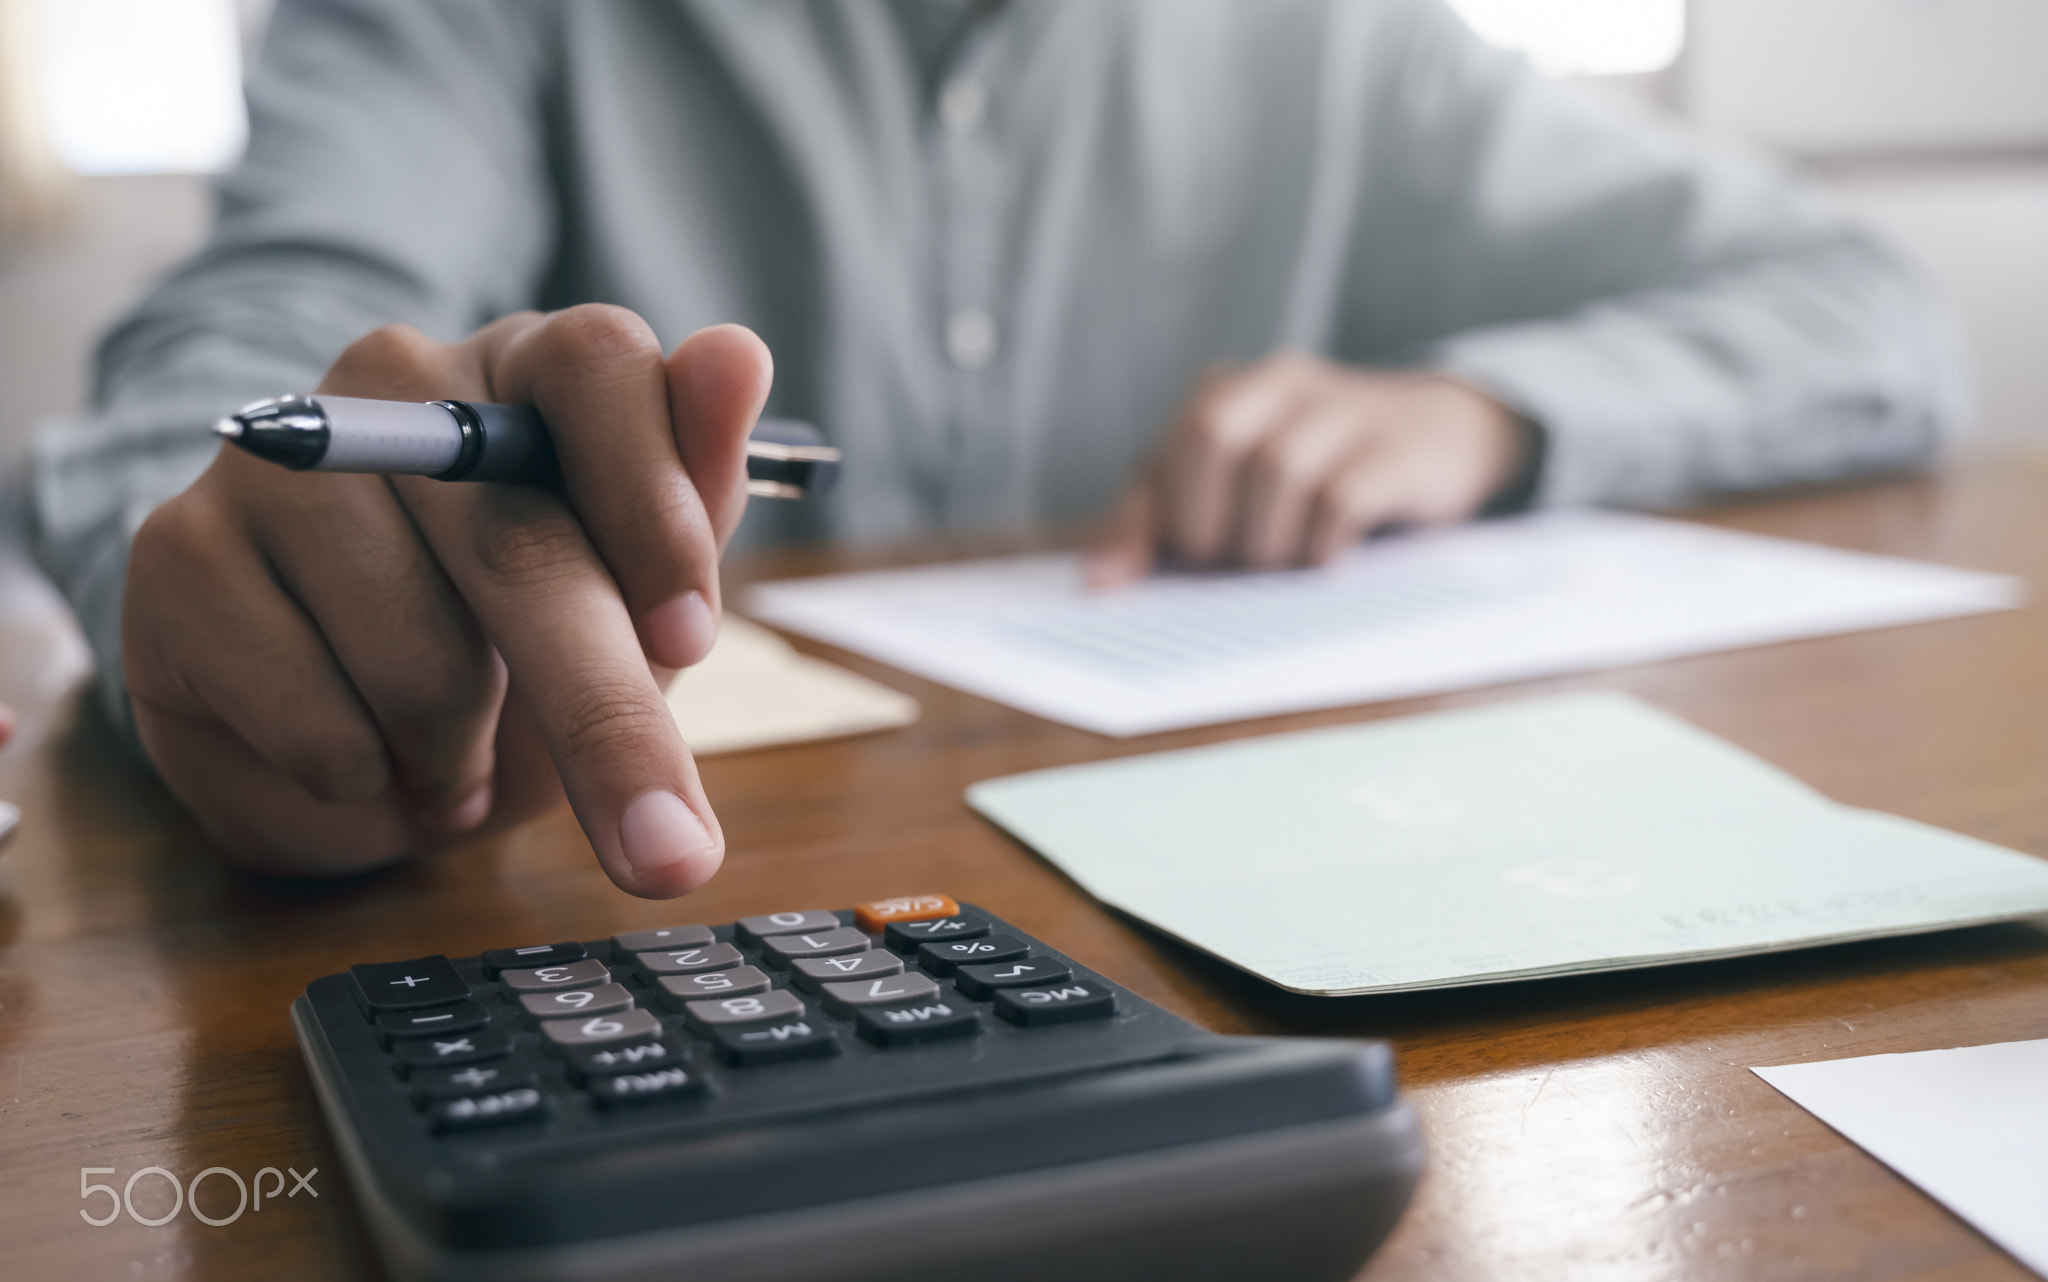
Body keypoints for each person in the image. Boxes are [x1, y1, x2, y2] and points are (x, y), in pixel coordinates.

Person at [31, 0, 1958, 898]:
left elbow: (1865, 301)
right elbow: (225, 373)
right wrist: (226, 595)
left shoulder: (1346, 48)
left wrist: (1488, 411)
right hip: (622, 924)